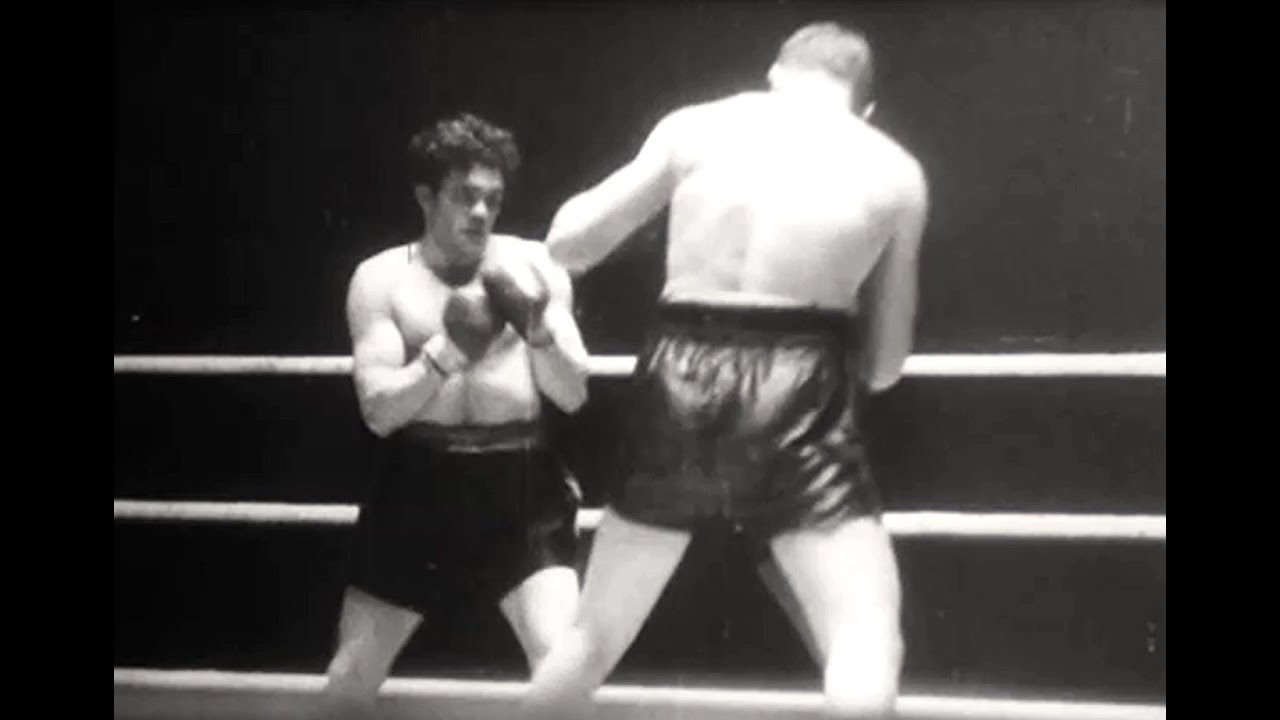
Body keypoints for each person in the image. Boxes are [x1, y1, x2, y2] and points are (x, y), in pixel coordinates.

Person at [523, 21, 929, 719]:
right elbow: (887, 366)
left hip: (676, 368)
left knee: (592, 638)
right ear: (864, 105)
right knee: (863, 641)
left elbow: (567, 242)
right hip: (799, 375)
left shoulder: (696, 129)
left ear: (776, 73)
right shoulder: (893, 169)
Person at [323, 113, 591, 718]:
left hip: (520, 483)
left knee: (561, 673)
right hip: (417, 483)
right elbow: (379, 413)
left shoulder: (534, 266)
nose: (480, 213)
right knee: (347, 683)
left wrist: (539, 330)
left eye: (492, 199)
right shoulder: (382, 279)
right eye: (464, 197)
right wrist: (448, 351)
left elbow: (574, 394)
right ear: (425, 196)